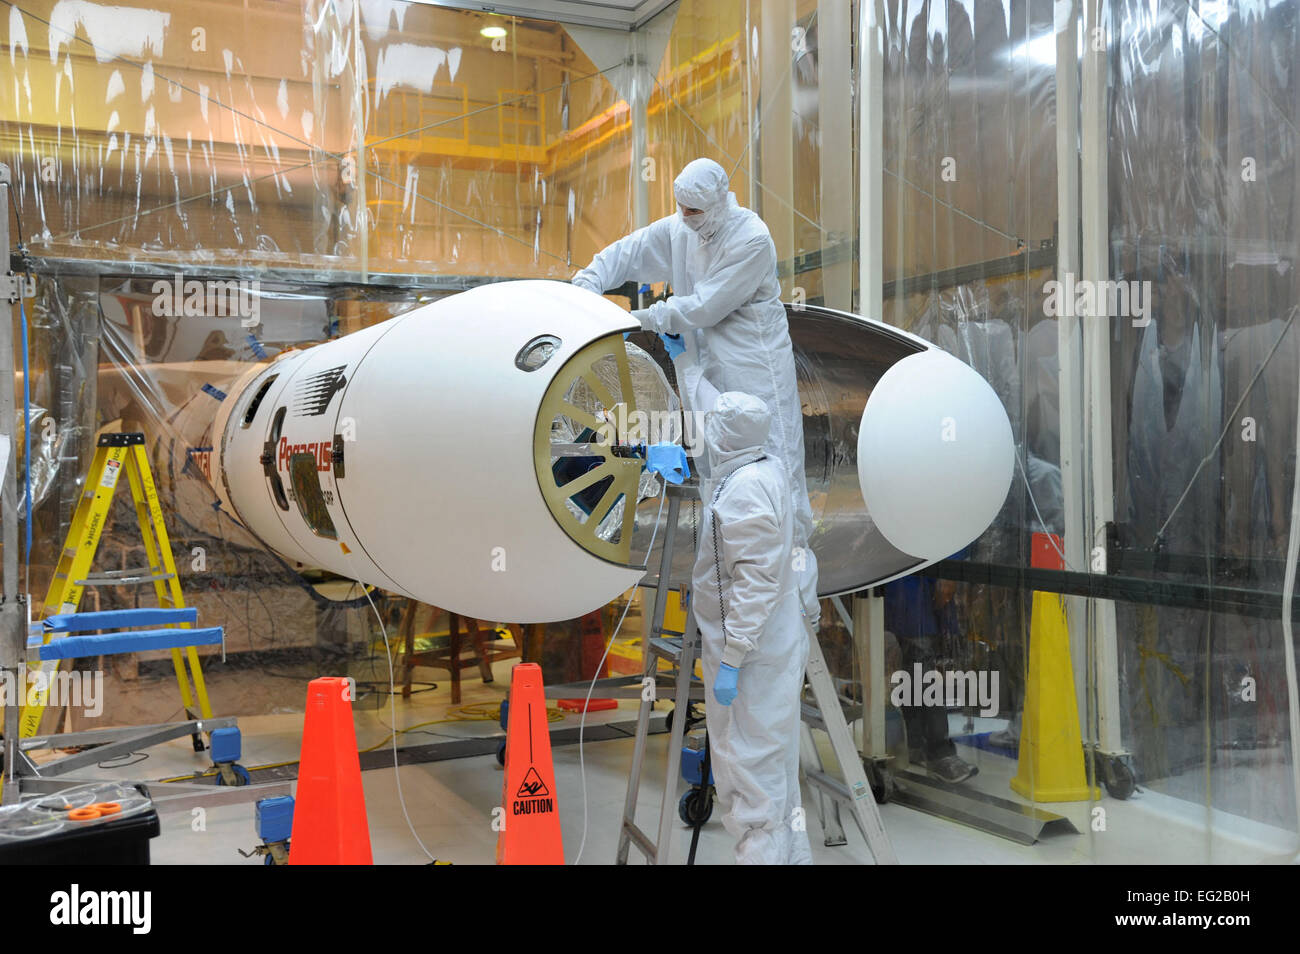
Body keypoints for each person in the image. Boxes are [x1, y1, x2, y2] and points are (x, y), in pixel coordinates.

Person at [571, 158, 815, 572]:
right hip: (705, 366)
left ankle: (789, 590)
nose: (685, 217)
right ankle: (728, 577)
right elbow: (629, 253)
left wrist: (641, 320)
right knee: (716, 476)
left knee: (773, 475)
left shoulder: (751, 239)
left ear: (719, 202)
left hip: (754, 368)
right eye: (680, 208)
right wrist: (587, 284)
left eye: (694, 211)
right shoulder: (683, 228)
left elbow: (705, 307)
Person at [670, 363, 814, 863]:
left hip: (750, 654)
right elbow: (718, 408)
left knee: (747, 773)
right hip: (769, 644)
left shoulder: (746, 490)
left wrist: (732, 658)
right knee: (774, 772)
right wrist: (685, 366)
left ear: (725, 437)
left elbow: (756, 583)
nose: (704, 429)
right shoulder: (763, 463)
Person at [884, 574, 979, 784]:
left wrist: (946, 572)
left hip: (919, 585)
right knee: (919, 670)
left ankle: (920, 745)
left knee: (917, 669)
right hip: (905, 588)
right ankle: (938, 753)